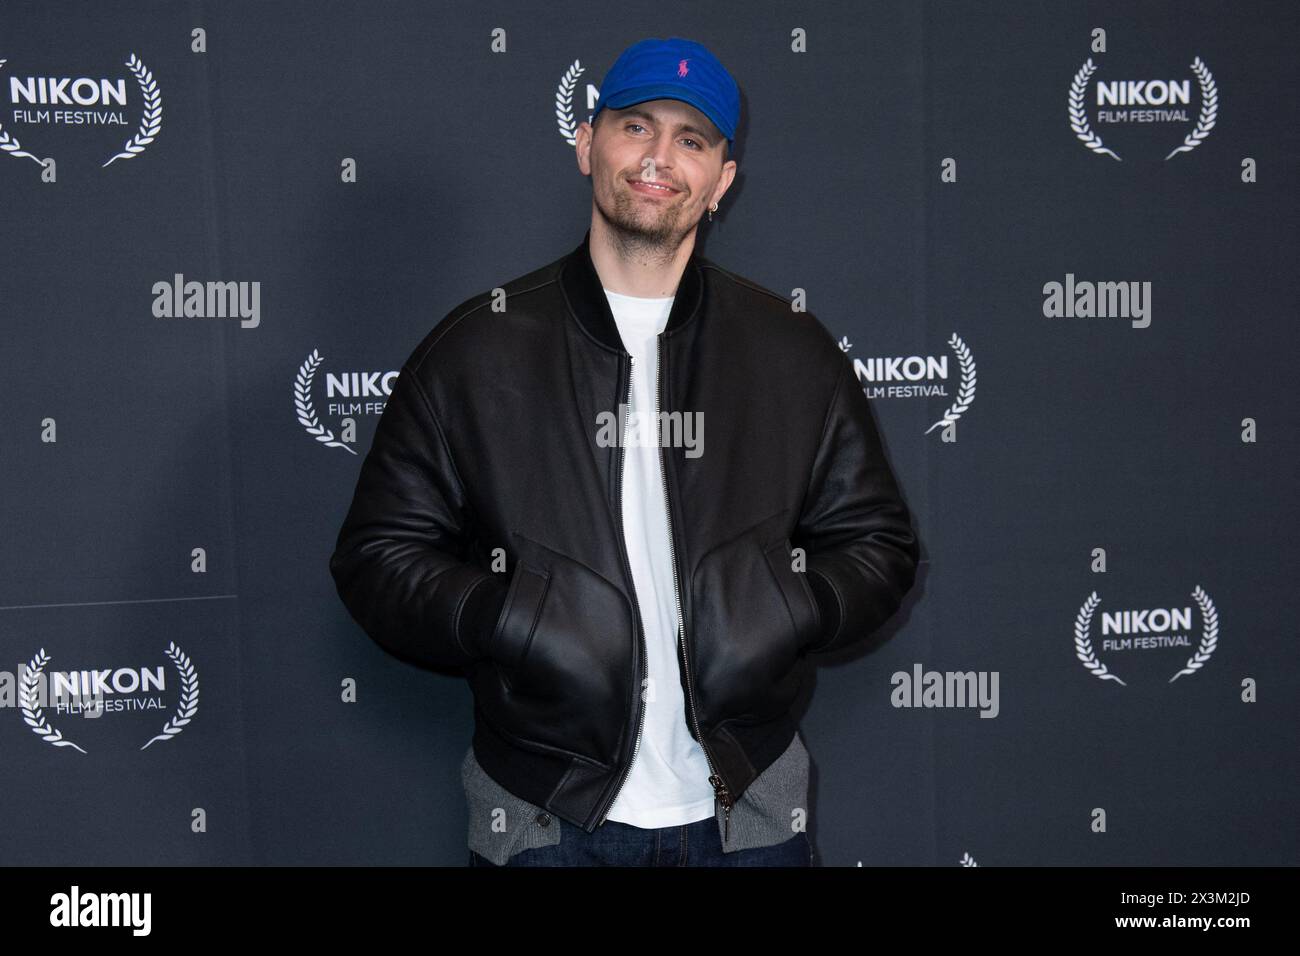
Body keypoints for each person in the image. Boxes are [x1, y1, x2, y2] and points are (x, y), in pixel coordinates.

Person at [329, 36, 920, 867]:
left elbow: (880, 545)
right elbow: (376, 558)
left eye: (691, 140)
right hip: (542, 815)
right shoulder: (477, 351)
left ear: (722, 182)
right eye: (636, 126)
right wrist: (507, 613)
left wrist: (795, 605)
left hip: (746, 810)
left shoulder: (792, 352)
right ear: (586, 144)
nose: (659, 158)